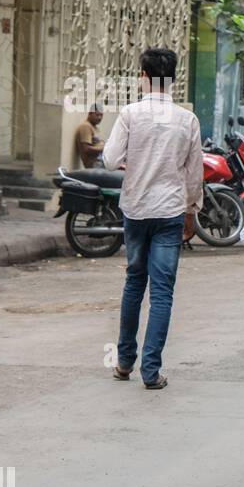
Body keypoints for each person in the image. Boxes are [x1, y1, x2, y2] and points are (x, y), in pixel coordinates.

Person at [101, 48, 203, 390]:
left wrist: (132, 164)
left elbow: (110, 159)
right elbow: (194, 174)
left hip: (136, 209)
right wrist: (191, 208)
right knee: (162, 292)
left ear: (144, 76)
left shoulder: (130, 114)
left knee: (134, 283)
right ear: (172, 79)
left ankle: (124, 362)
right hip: (170, 212)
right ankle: (151, 371)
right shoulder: (186, 119)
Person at [74, 103, 105, 168]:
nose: (99, 117)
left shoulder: (94, 127)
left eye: (101, 115)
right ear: (90, 114)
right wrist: (104, 149)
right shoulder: (86, 126)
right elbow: (86, 149)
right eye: (97, 115)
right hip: (95, 164)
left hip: (101, 161)